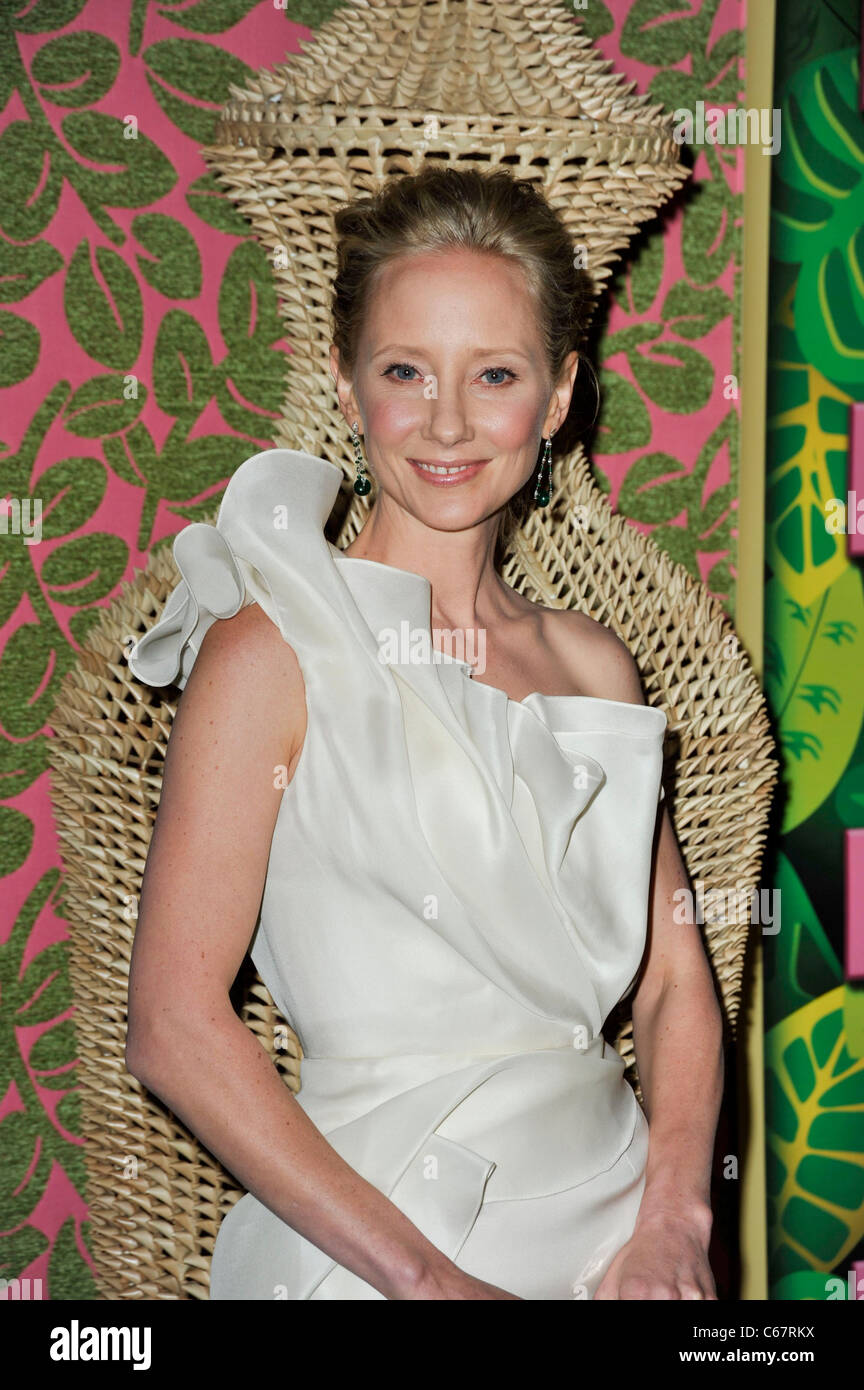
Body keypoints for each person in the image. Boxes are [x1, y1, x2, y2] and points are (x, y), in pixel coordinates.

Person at [125, 165, 724, 1301]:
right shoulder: (272, 652)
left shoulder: (594, 664)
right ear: (350, 391)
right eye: (406, 371)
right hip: (379, 1244)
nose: (448, 422)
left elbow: (676, 983)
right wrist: (434, 1286)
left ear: (555, 400)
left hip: (622, 1236)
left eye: (494, 374)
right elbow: (170, 1021)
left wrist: (676, 1226)